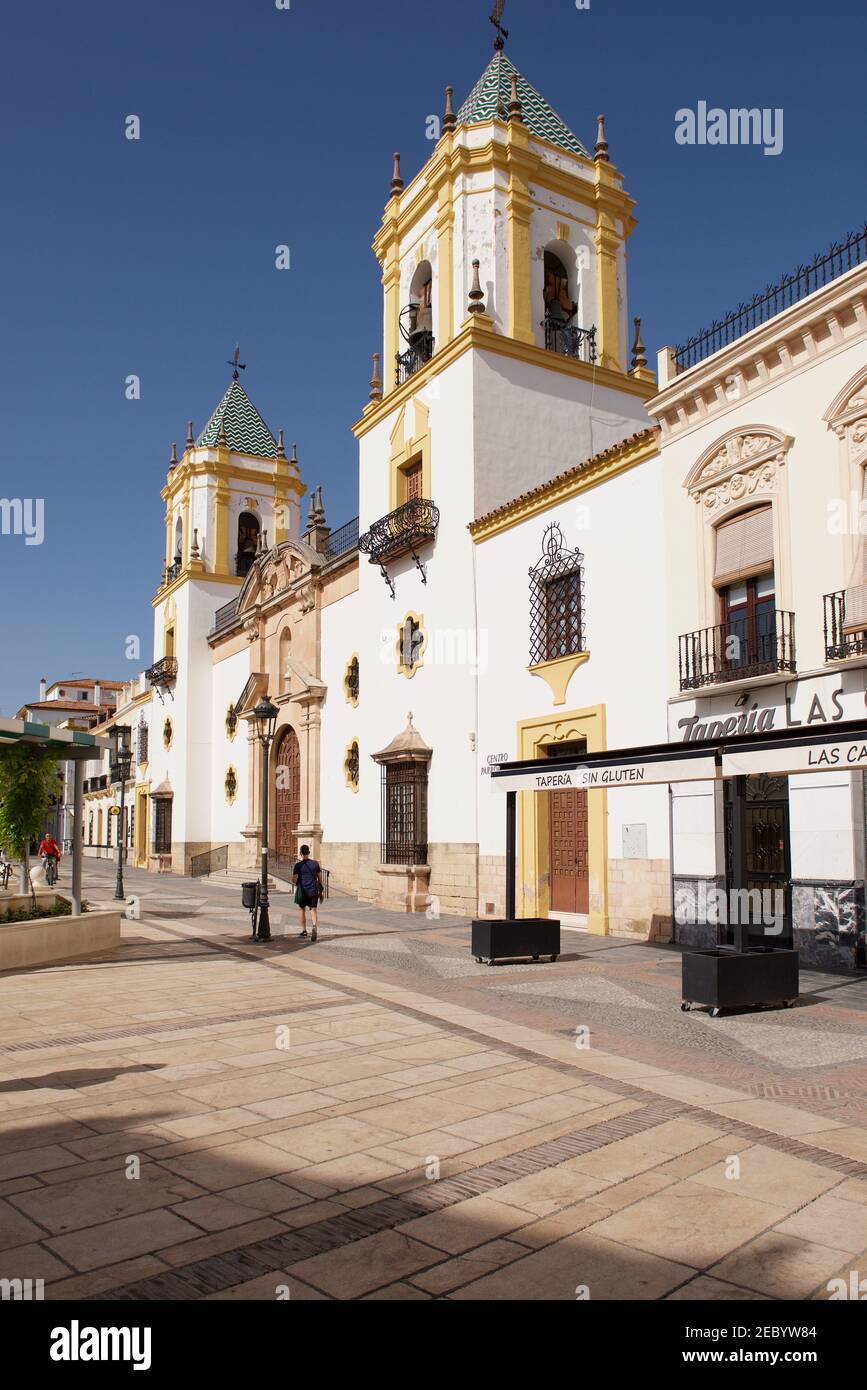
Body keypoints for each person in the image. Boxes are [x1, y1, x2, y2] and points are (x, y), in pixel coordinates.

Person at [293, 845, 323, 942]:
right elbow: (320, 878)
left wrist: (297, 880)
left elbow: (294, 880)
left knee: (302, 910)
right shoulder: (315, 864)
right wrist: (320, 888)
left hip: (303, 891)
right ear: (309, 852)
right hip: (313, 889)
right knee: (313, 910)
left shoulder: (298, 866)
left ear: (301, 853)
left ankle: (304, 930)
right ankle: (314, 926)